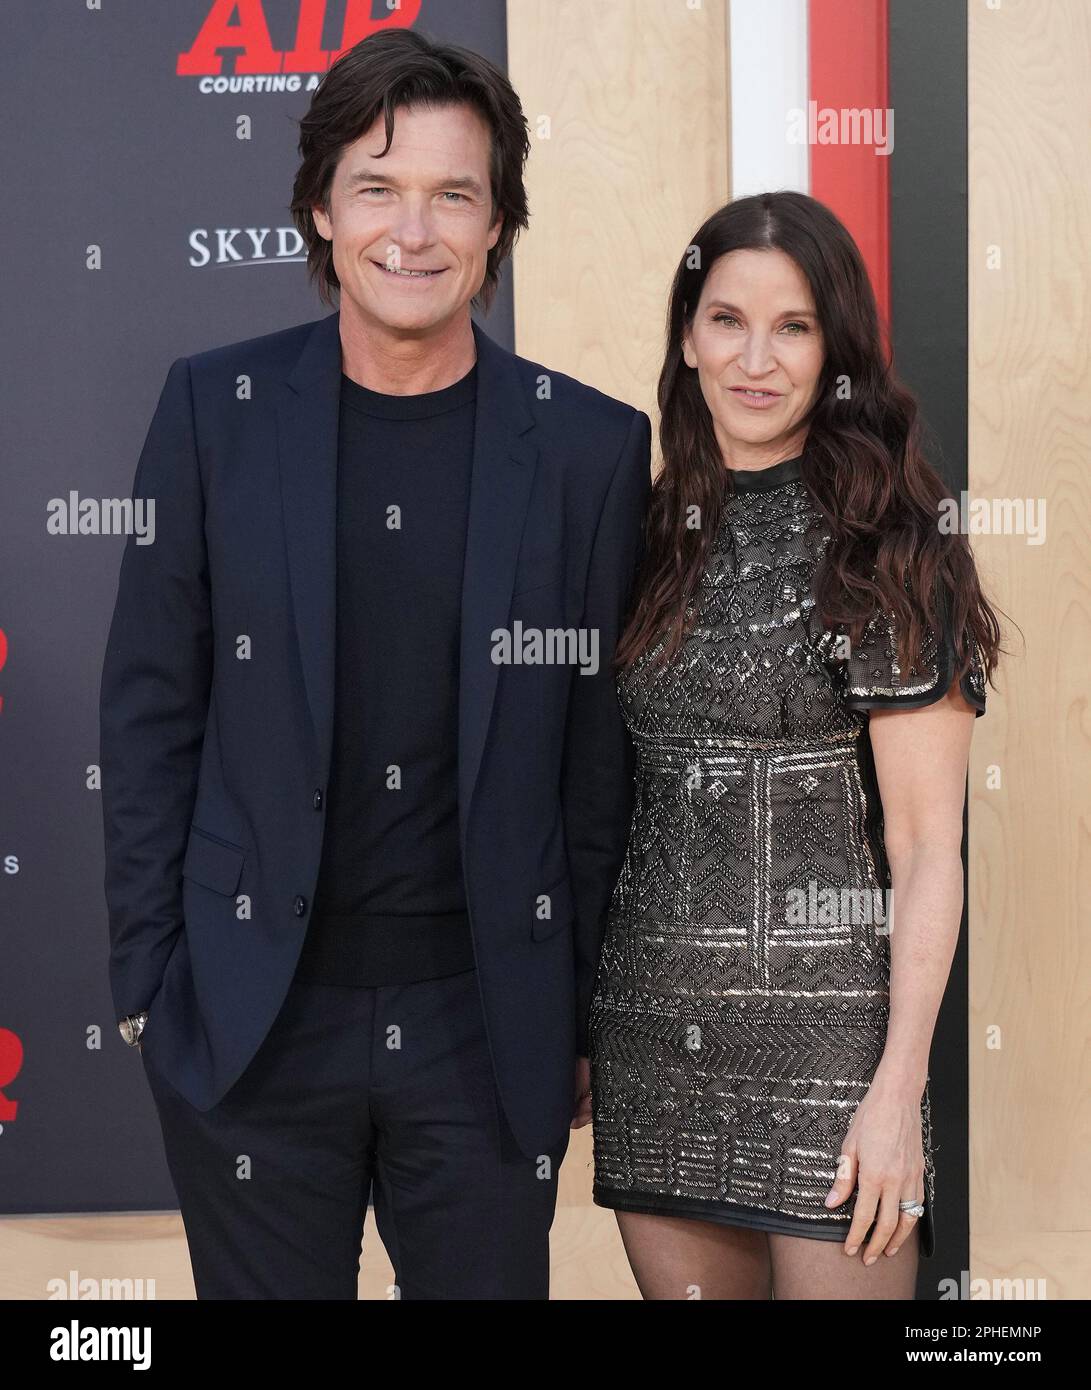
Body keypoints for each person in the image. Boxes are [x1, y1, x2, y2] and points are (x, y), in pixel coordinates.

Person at [100, 28, 650, 1300]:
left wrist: (565, 1016)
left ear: (499, 221)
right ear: (319, 208)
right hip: (249, 1024)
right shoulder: (211, 414)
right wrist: (150, 987)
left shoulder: (586, 450)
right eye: (377, 187)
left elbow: (591, 768)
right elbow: (147, 716)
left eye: (454, 192)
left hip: (481, 1029)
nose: (415, 230)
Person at [588, 190, 1003, 1299]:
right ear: (687, 335)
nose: (754, 358)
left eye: (793, 325)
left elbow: (925, 851)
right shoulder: (638, 533)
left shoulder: (888, 541)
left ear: (837, 348)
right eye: (726, 320)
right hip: (650, 1039)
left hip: (837, 1061)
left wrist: (894, 1092)